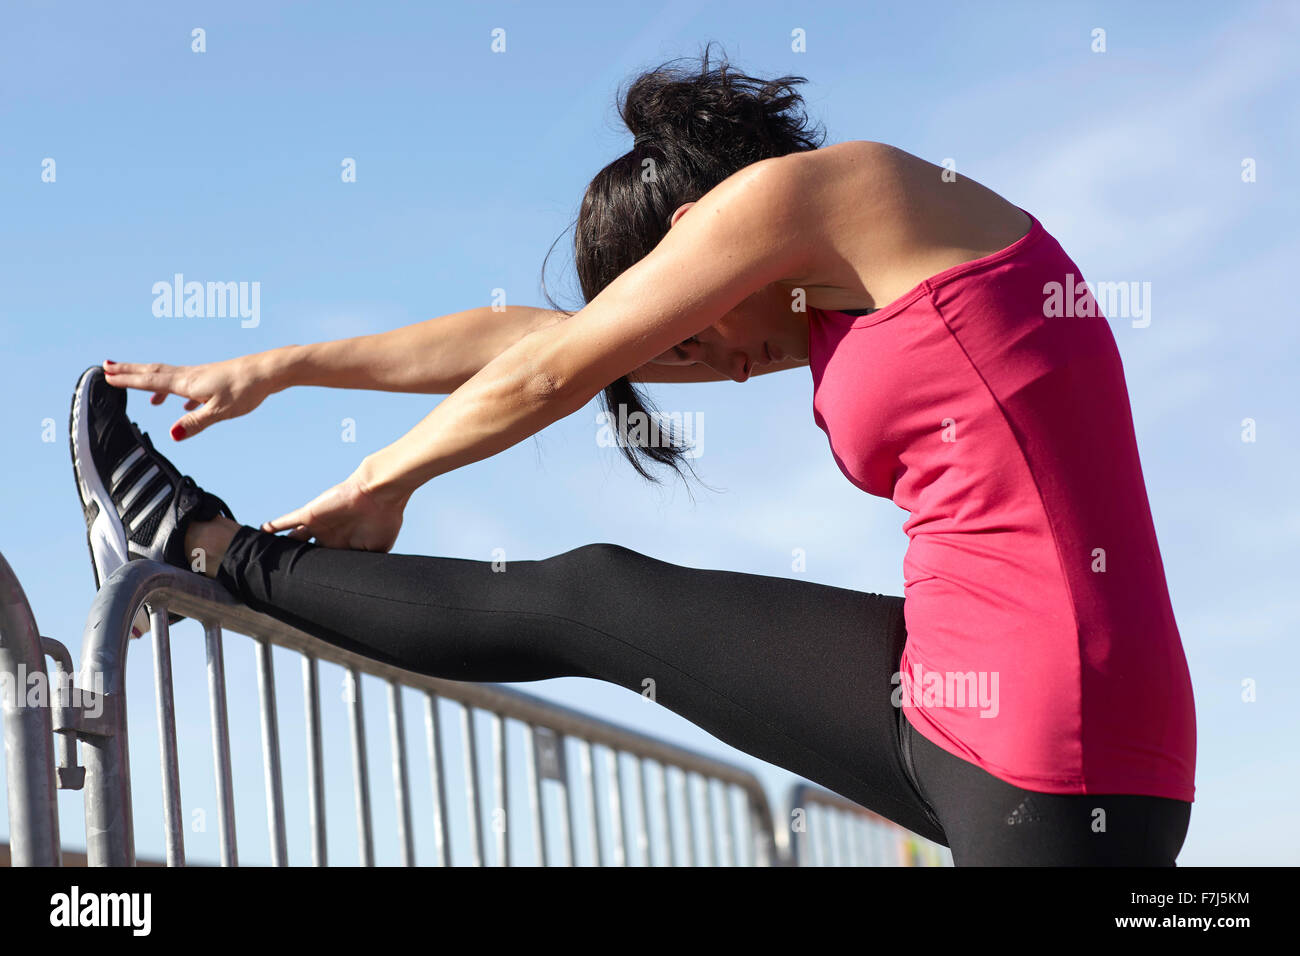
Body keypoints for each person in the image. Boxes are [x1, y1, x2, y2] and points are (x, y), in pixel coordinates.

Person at [68, 48, 1194, 866]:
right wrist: (280, 366)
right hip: (1018, 698)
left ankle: (210, 550)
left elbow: (549, 377)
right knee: (597, 593)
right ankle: (210, 549)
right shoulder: (839, 283)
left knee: (589, 600)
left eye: (687, 329)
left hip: (1048, 723)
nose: (720, 369)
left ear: (700, 226)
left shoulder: (819, 197)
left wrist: (378, 481)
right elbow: (526, 341)